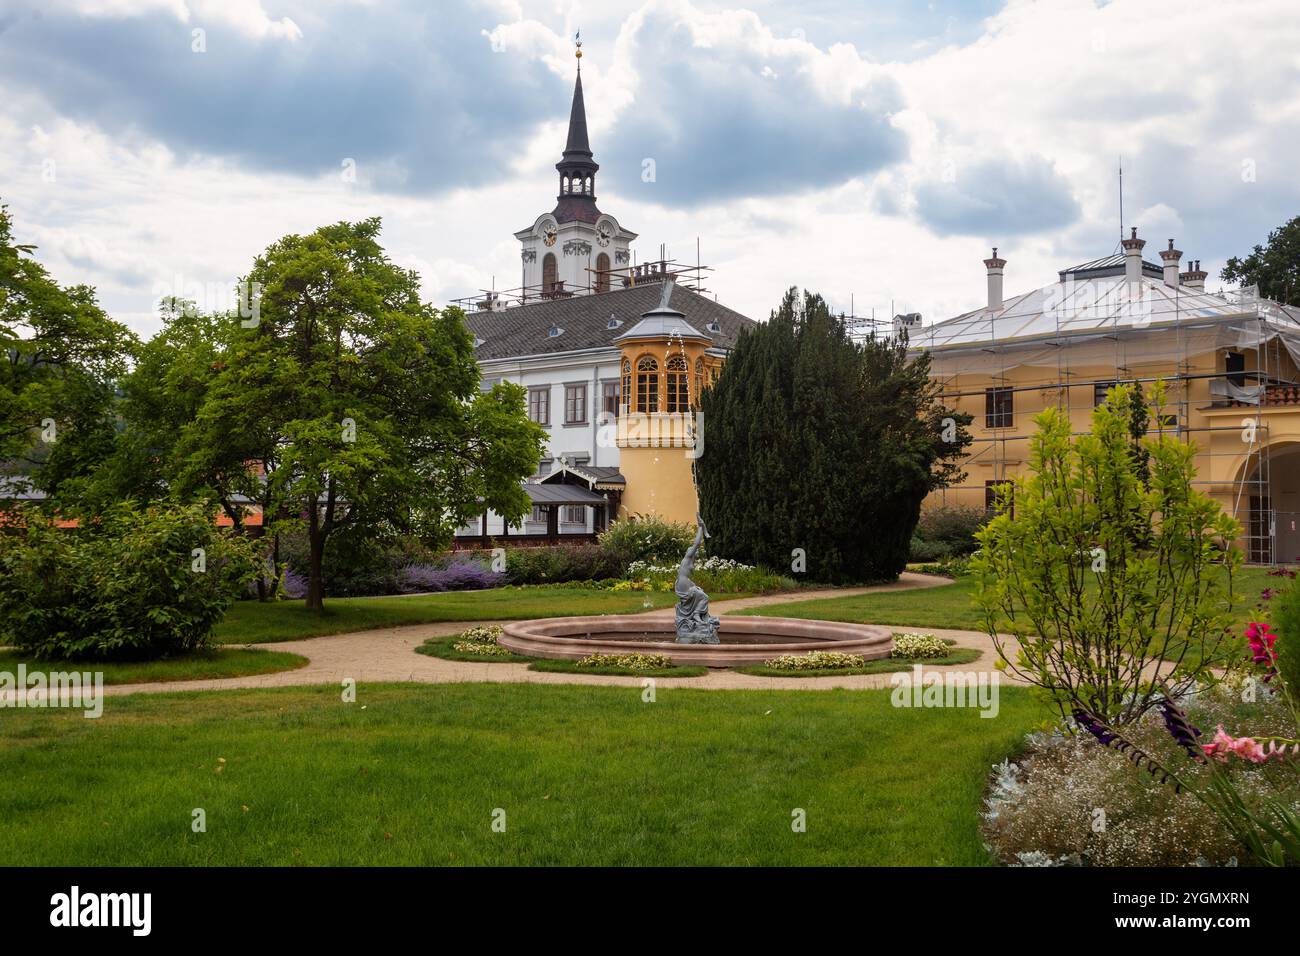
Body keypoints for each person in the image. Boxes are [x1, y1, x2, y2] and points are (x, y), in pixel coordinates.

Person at [675, 515, 720, 644]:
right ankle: (696, 614)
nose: (695, 551)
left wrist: (695, 586)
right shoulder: (688, 557)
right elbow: (696, 543)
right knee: (704, 597)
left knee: (701, 593)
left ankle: (695, 616)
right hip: (683, 583)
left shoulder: (690, 559)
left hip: (685, 582)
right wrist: (701, 528)